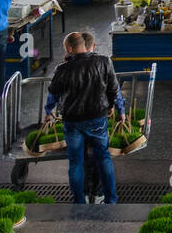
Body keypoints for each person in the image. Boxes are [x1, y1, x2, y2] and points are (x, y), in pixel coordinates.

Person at [46, 32, 124, 204]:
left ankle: (80, 201)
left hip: (72, 122)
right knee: (103, 158)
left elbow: (53, 92)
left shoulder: (62, 69)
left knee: (76, 162)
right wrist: (112, 106)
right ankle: (111, 200)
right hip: (97, 118)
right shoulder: (104, 61)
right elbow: (113, 87)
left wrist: (48, 110)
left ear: (69, 49)